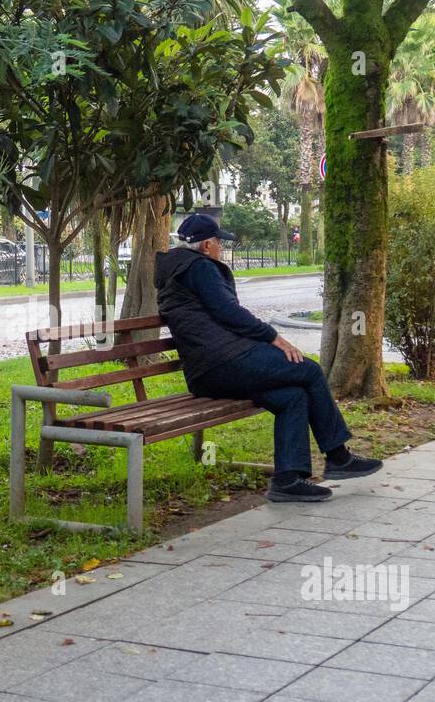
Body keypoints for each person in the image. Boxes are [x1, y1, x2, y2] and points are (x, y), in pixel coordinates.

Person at [154, 212, 382, 502]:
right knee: (309, 371)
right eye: (219, 244)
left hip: (210, 370)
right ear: (206, 245)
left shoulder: (179, 268)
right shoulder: (200, 268)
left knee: (292, 395)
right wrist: (274, 338)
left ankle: (287, 480)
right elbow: (229, 313)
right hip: (222, 362)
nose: (222, 249)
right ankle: (338, 457)